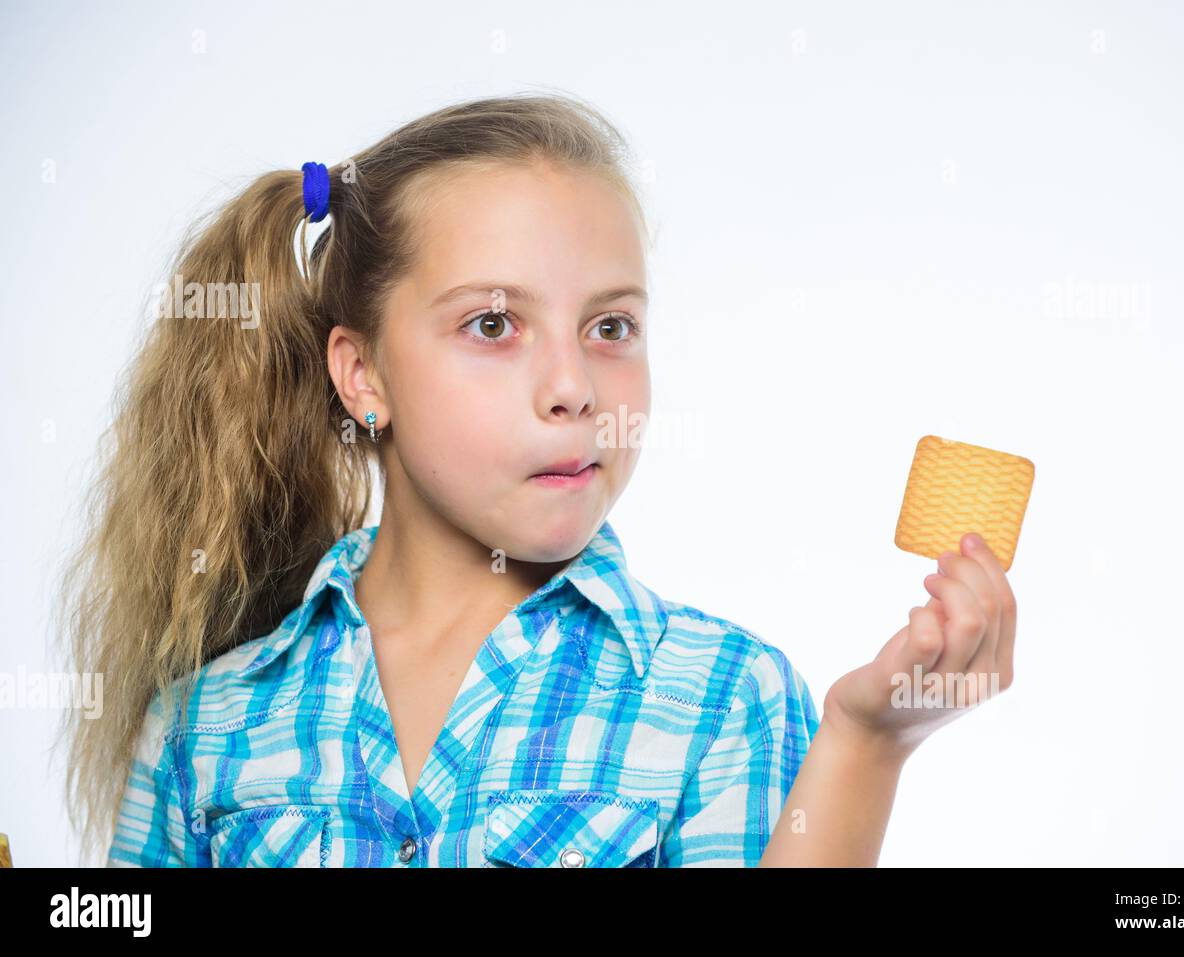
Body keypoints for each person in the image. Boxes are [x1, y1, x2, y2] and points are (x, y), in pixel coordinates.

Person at [57, 92, 1016, 868]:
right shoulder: (204, 727)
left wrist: (866, 742)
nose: (572, 388)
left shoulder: (727, 699)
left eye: (610, 328)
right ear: (364, 375)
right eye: (492, 324)